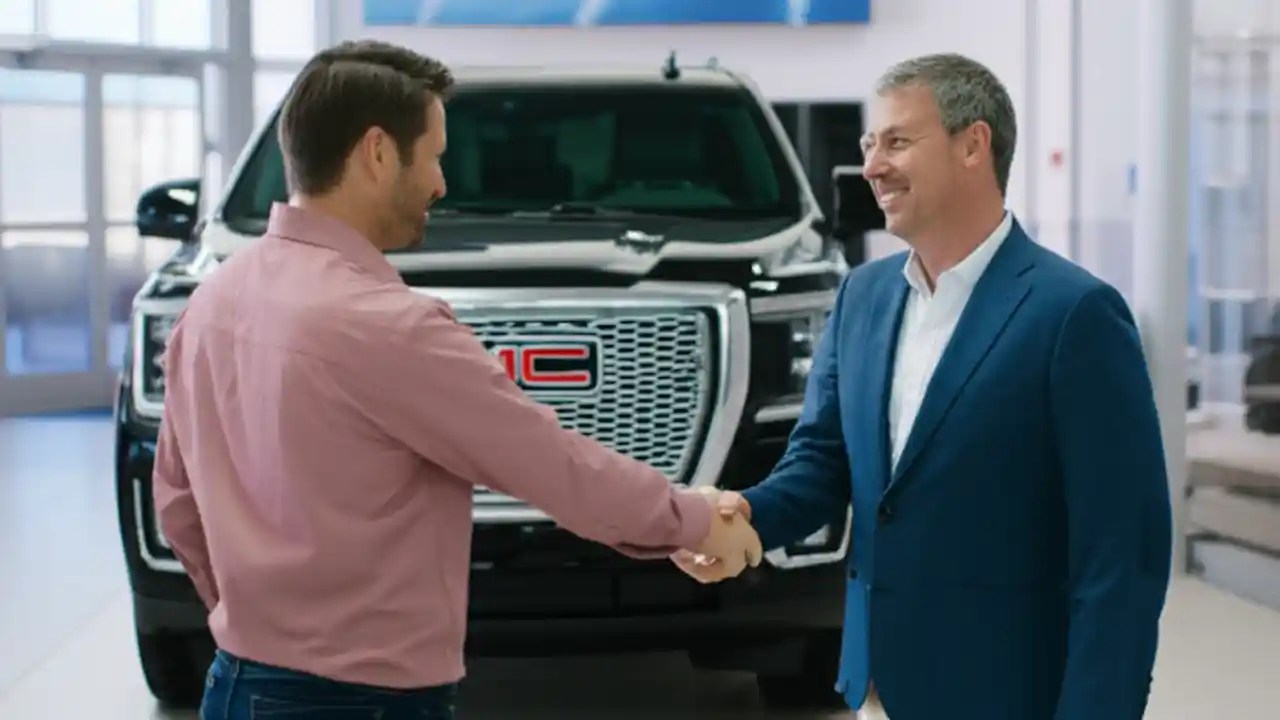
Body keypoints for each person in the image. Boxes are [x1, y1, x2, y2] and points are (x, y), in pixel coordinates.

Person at [152, 39, 761, 720]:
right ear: (378, 153)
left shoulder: (211, 303)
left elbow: (177, 504)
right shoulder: (388, 325)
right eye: (434, 155)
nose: (441, 184)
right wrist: (694, 521)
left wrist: (255, 628)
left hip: (238, 687)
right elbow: (554, 466)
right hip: (360, 703)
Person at [676, 53, 1174, 719]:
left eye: (897, 141)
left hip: (1007, 693)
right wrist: (744, 517)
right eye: (868, 145)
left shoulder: (1075, 315)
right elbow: (823, 461)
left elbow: (1122, 557)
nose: (872, 166)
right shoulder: (862, 296)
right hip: (878, 687)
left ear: (973, 146)